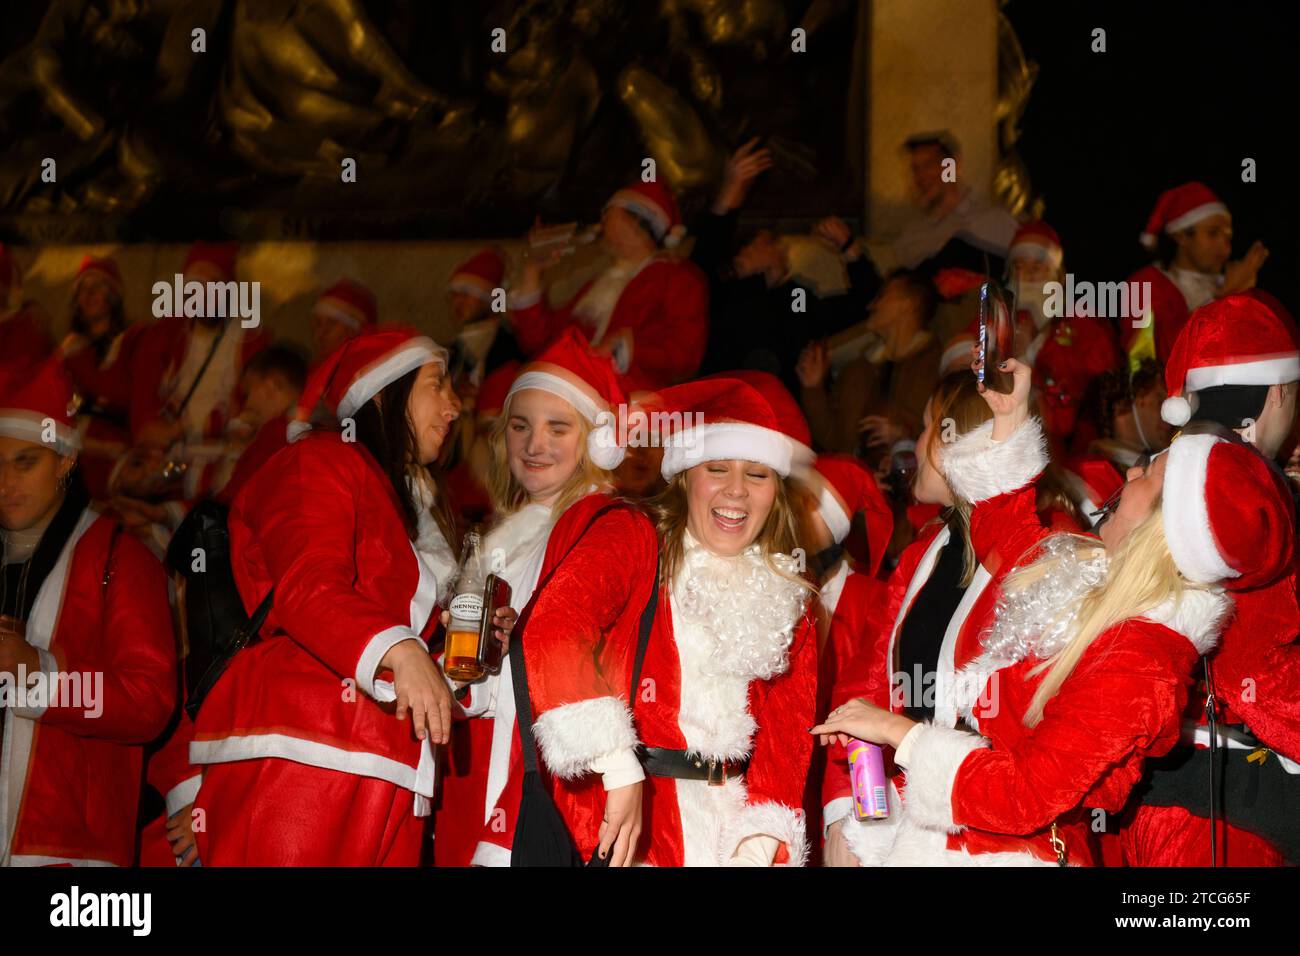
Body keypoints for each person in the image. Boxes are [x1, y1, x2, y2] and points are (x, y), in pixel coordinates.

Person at [811, 356, 1294, 866]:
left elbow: (1027, 794)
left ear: (1165, 521)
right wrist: (1009, 419)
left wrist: (898, 734)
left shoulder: (1144, 657)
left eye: (1149, 472)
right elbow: (1006, 535)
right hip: (943, 841)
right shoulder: (1086, 574)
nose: (1132, 469)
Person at [190, 327, 473, 866]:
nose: (455, 405)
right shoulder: (318, 461)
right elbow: (306, 585)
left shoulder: (404, 502)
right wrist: (402, 651)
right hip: (301, 755)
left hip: (379, 763)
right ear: (386, 395)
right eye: (437, 384)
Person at [434, 328, 654, 867]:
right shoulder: (498, 538)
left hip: (560, 791)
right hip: (491, 781)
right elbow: (493, 684)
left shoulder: (606, 524)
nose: (535, 446)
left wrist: (614, 764)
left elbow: (567, 645)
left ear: (594, 440)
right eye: (520, 426)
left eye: (559, 427)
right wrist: (469, 662)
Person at [1118, 293, 1300, 865]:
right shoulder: (1246, 506)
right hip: (1225, 813)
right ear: (1277, 392)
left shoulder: (1146, 484)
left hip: (1154, 795)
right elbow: (1261, 673)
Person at [621, 376, 818, 865]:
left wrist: (756, 845)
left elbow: (786, 739)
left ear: (777, 490)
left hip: (732, 833)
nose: (736, 491)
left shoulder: (792, 597)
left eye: (757, 474)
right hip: (635, 822)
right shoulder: (638, 560)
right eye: (717, 468)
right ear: (686, 476)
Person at [0, 358, 176, 866]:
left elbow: (148, 700)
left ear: (65, 461)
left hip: (66, 852)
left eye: (25, 461)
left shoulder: (124, 557)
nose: (6, 481)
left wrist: (36, 673)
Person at [510, 180, 709, 392]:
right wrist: (532, 271)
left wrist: (627, 349)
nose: (601, 221)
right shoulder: (603, 282)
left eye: (609, 213)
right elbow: (541, 342)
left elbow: (686, 355)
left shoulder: (679, 277)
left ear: (632, 222)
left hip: (632, 405)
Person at [1122, 182, 1269, 367]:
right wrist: (1220, 298)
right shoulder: (1143, 285)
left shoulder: (1230, 281)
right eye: (1213, 233)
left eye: (1228, 237)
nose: (1225, 247)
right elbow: (1148, 360)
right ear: (1181, 237)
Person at [797, 270, 941, 457]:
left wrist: (904, 437)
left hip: (905, 478)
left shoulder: (938, 367)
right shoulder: (856, 370)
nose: (871, 305)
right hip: (855, 479)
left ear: (908, 304)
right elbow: (831, 439)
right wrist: (813, 388)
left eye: (882, 295)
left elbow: (952, 437)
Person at [57, 254, 150, 499]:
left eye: (96, 286)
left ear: (112, 294)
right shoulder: (71, 351)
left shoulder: (132, 343)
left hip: (119, 453)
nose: (88, 296)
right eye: (82, 289)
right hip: (79, 453)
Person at [886, 132, 1019, 279]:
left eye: (928, 165)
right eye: (916, 169)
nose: (921, 177)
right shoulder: (911, 236)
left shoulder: (996, 220)